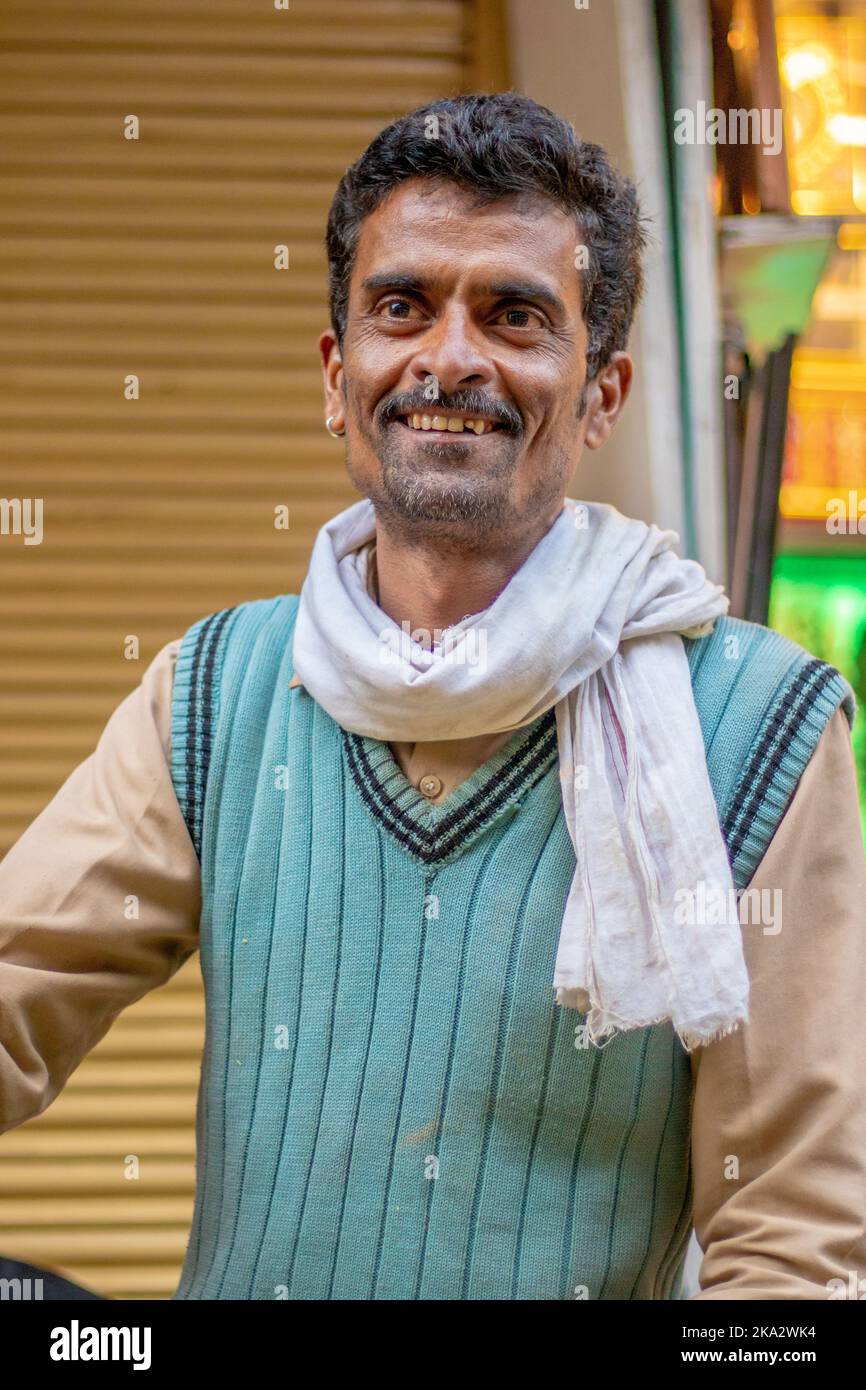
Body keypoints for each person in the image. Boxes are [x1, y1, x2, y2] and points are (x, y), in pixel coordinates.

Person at [1, 93, 864, 1302]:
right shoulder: (215, 694)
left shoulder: (757, 727)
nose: (447, 357)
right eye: (400, 306)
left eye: (513, 316)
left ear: (600, 393)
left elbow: (793, 1243)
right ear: (336, 371)